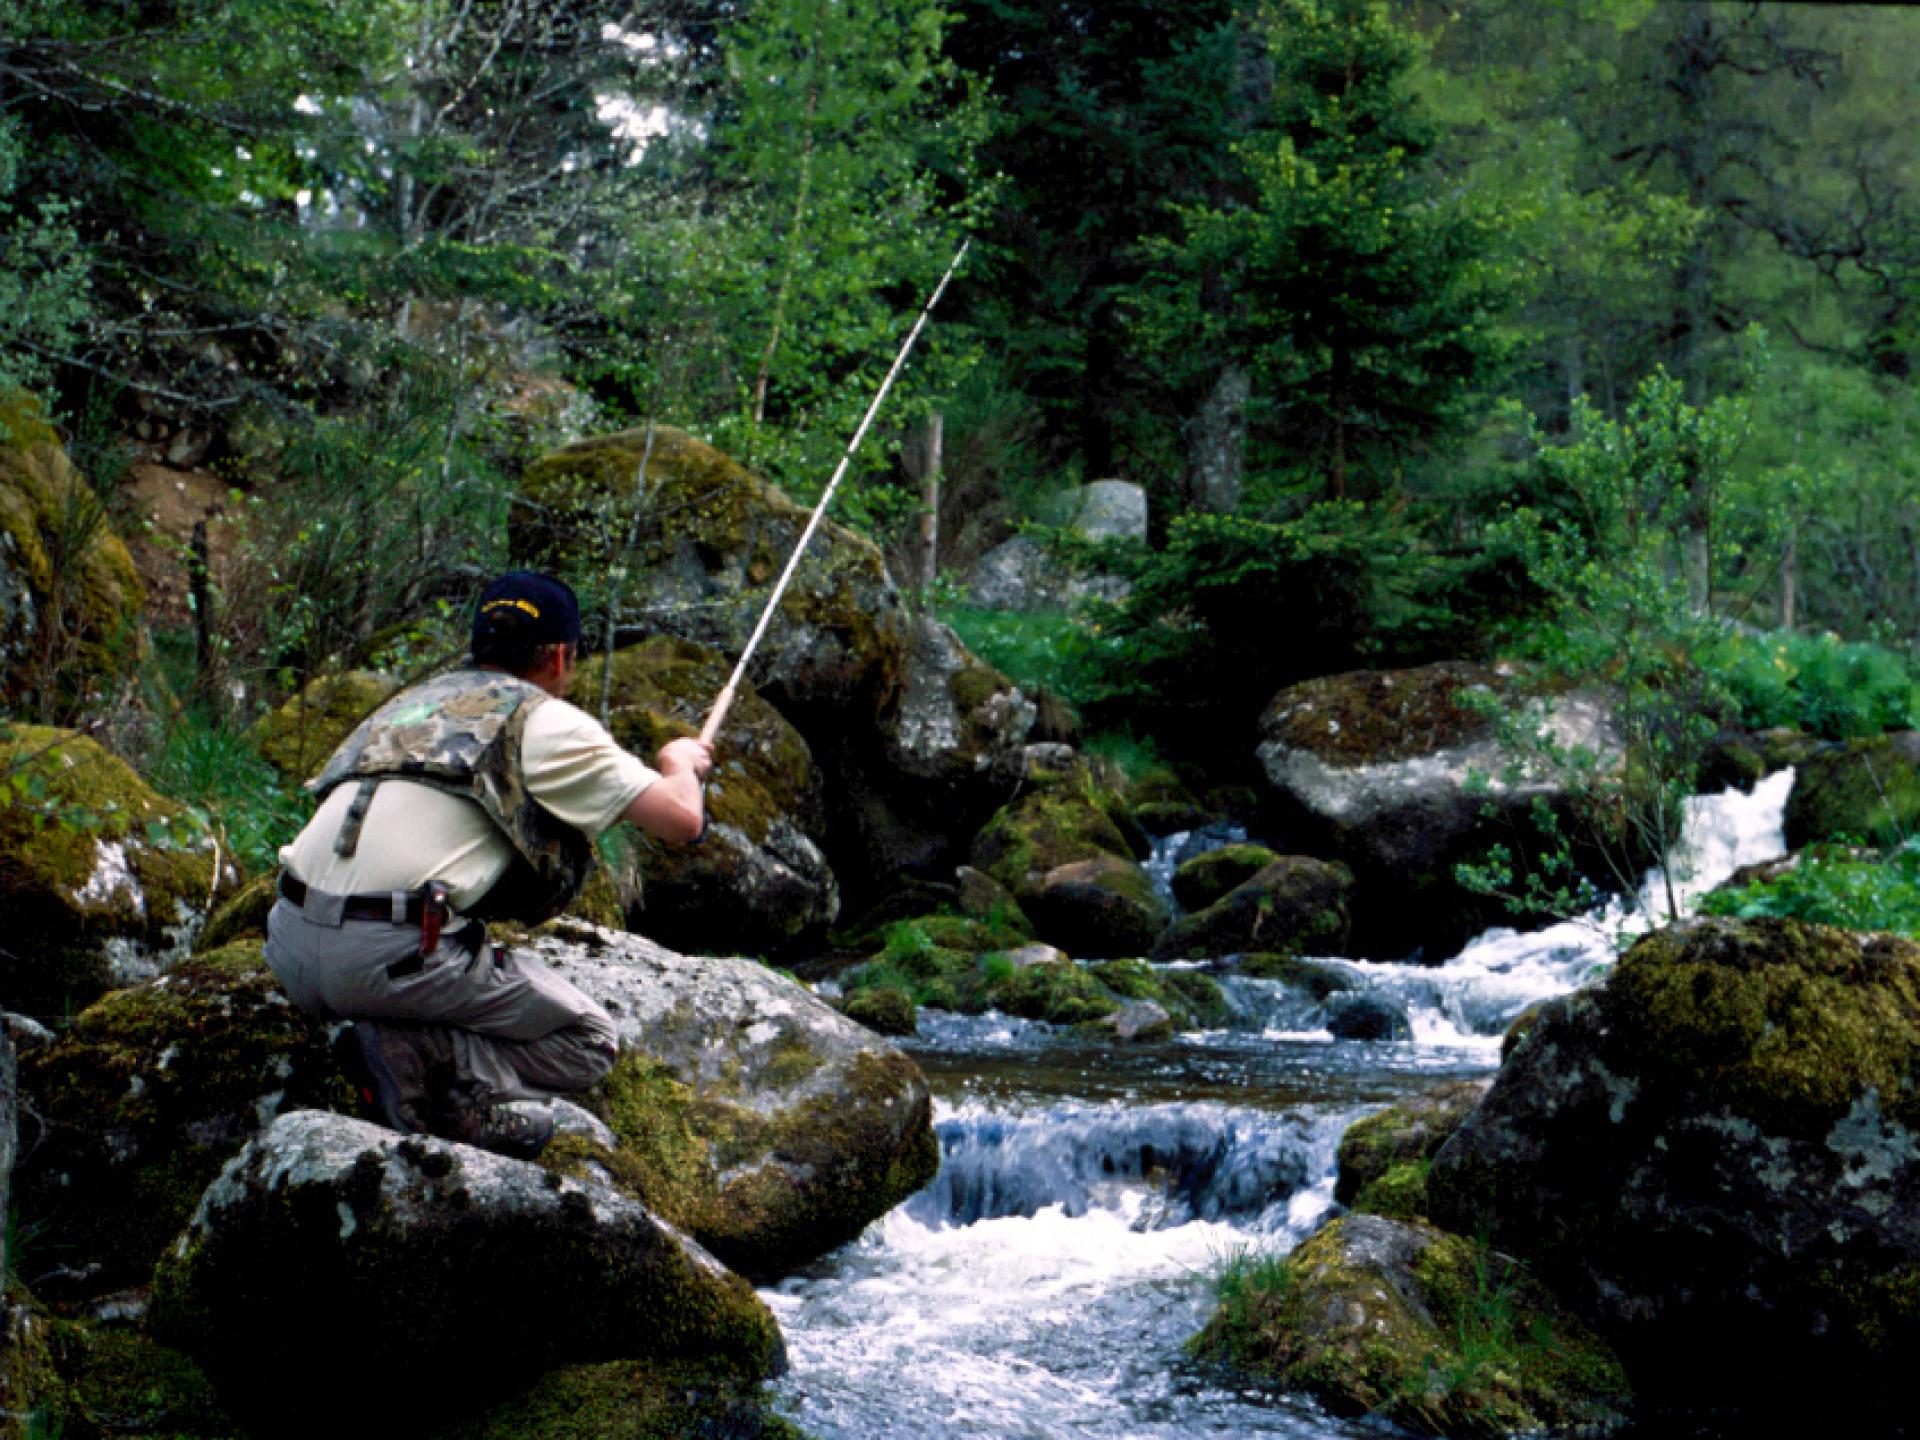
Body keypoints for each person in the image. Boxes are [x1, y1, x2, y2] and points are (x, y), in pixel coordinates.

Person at [263, 570, 713, 1159]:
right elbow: (682, 821)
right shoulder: (544, 719)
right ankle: (422, 1065)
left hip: (289, 945)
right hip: (386, 957)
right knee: (588, 1041)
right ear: (559, 656)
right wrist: (679, 760)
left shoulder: (413, 703)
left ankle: (389, 1040)